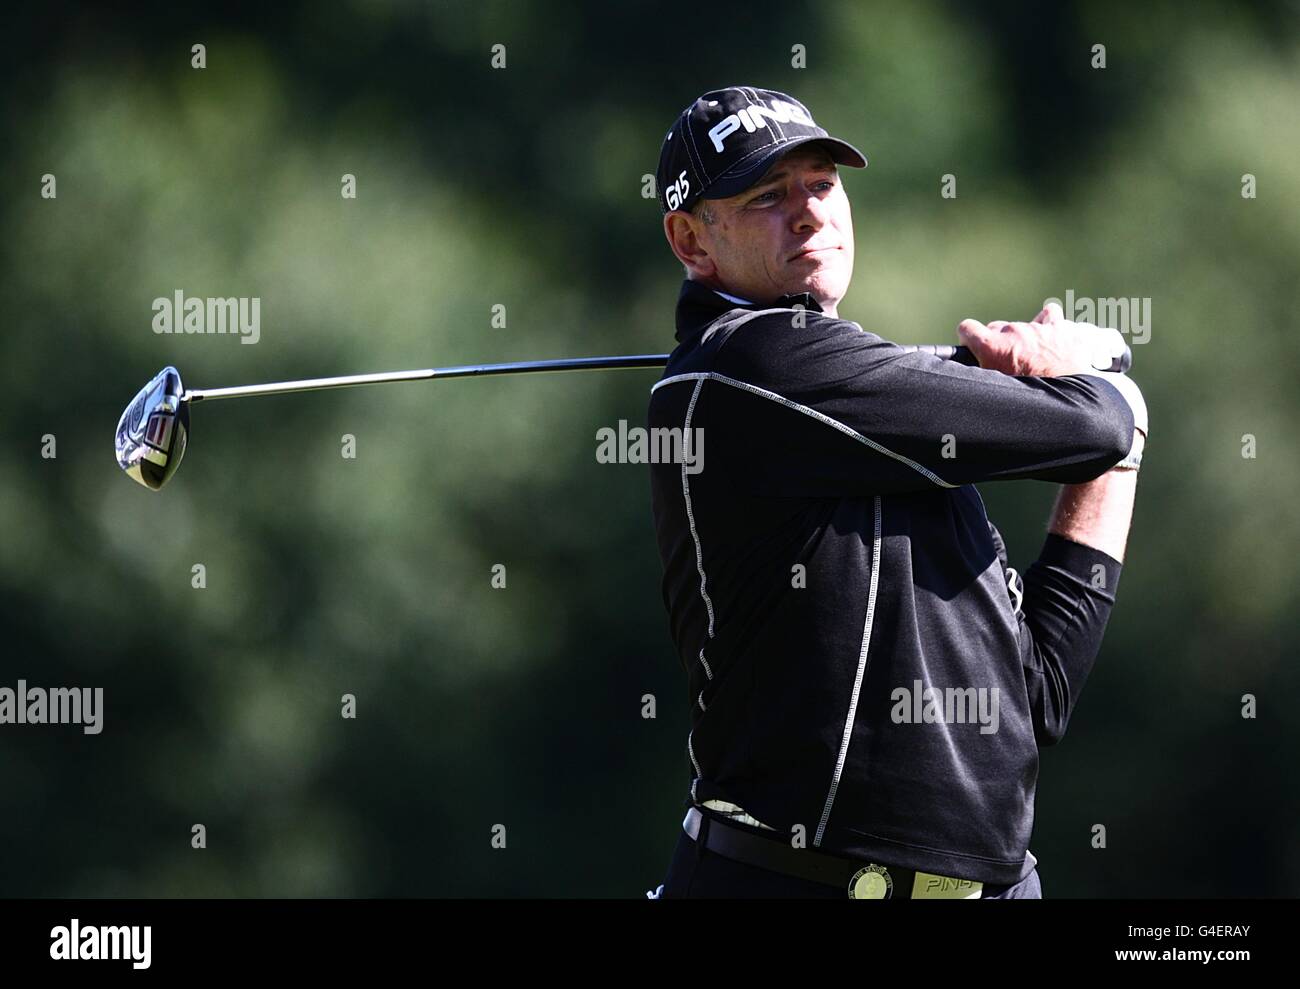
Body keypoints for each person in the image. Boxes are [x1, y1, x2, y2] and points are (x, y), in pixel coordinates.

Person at [644, 86, 1147, 899]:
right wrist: (1094, 372)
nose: (807, 214)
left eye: (820, 184)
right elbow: (1092, 428)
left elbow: (1038, 696)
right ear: (691, 241)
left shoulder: (886, 422)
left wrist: (1121, 430)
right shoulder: (746, 368)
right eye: (766, 196)